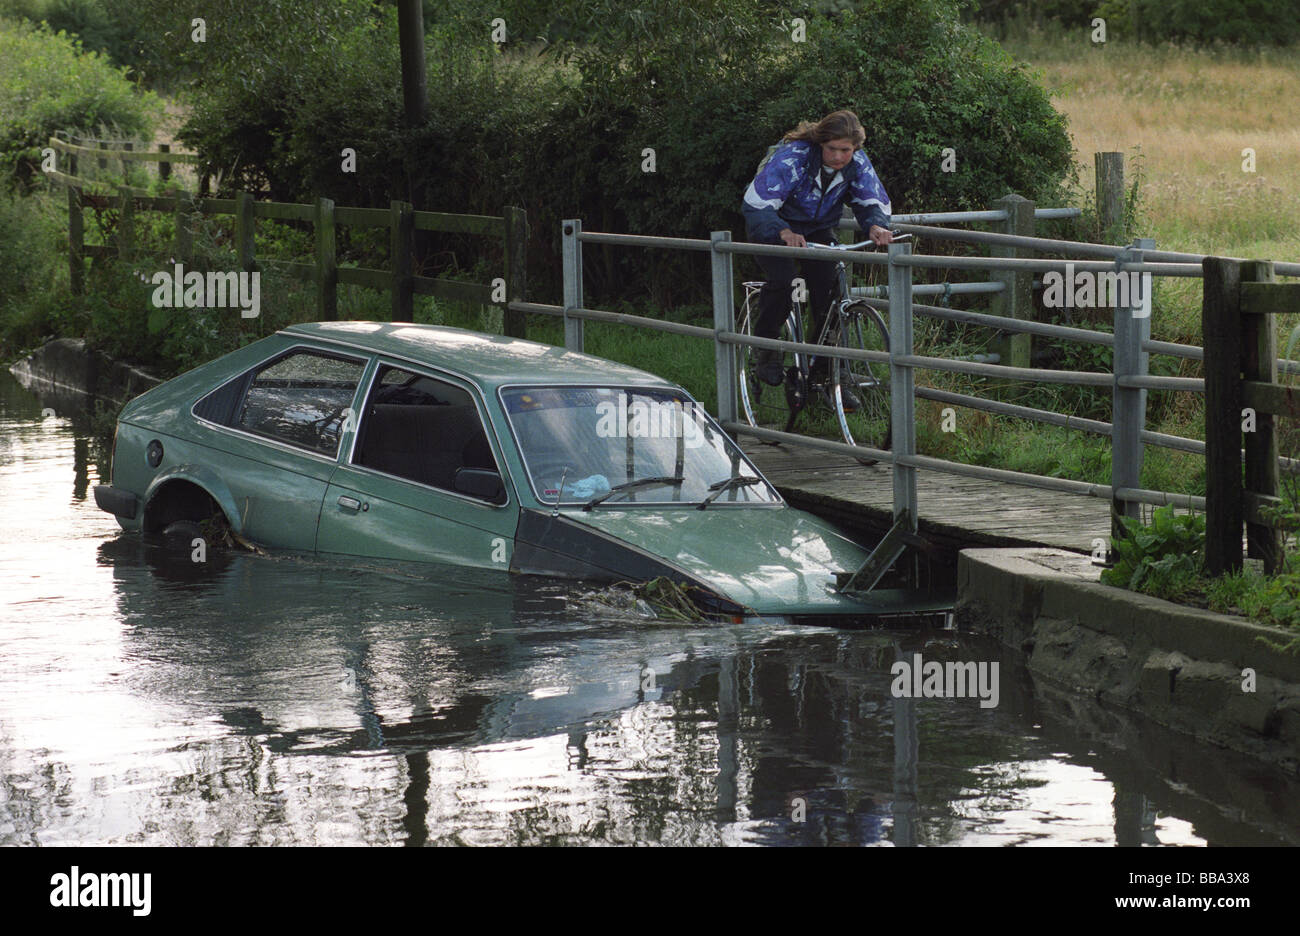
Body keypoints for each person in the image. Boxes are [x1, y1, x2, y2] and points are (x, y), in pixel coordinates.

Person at [741, 110, 893, 409]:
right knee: (784, 281)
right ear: (820, 143)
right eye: (832, 149)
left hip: (818, 228)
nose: (838, 157)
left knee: (833, 291)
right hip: (775, 225)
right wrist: (782, 231)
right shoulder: (794, 157)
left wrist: (876, 224)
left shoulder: (857, 164)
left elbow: (872, 199)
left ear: (855, 149)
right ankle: (766, 348)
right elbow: (756, 204)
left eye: (845, 150)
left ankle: (823, 375)